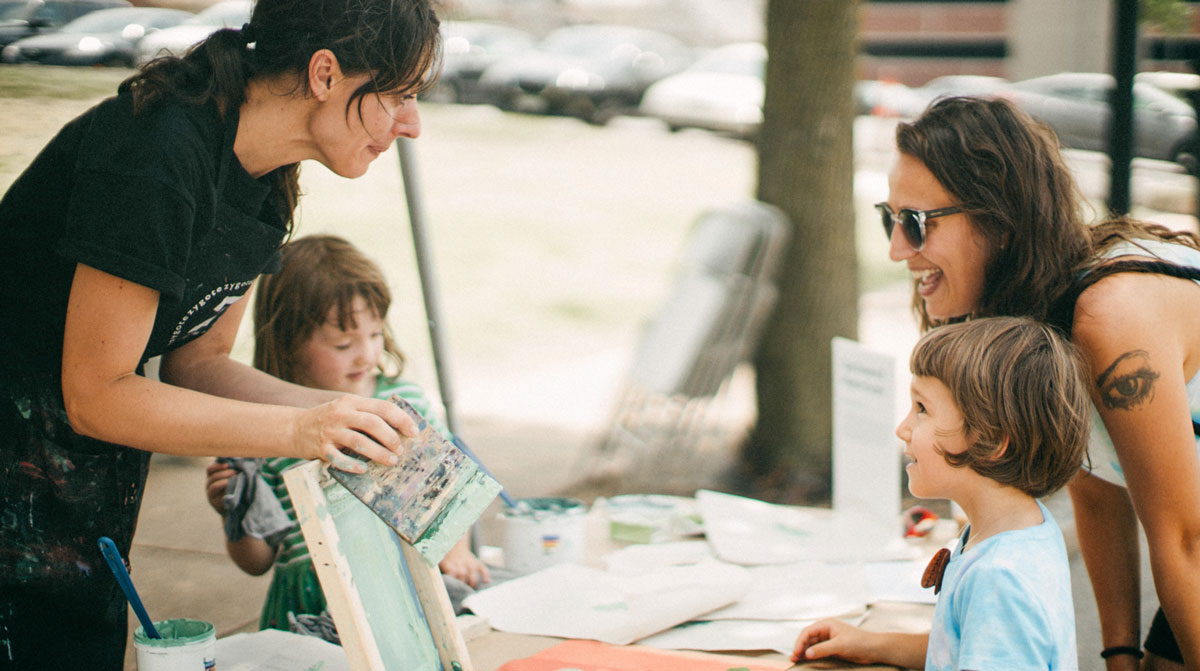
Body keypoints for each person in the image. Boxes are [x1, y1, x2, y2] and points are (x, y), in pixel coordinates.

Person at [0, 1, 442, 666]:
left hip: (76, 496)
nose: (410, 125)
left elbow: (198, 363)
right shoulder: (155, 155)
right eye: (399, 95)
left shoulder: (267, 179)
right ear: (325, 74)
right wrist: (301, 431)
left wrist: (350, 416)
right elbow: (98, 394)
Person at [882, 94, 1200, 669]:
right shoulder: (1040, 312)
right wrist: (1120, 655)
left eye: (915, 223)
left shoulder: (1110, 316)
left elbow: (1184, 542)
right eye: (890, 218)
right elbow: (1101, 491)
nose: (896, 248)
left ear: (996, 219)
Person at [203, 234, 494, 634]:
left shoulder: (403, 405)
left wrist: (456, 554)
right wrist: (232, 513)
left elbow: (445, 496)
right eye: (343, 343)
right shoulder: (263, 428)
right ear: (287, 343)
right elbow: (257, 561)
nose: (367, 355)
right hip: (311, 615)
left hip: (400, 596)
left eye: (375, 335)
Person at [793, 317, 1089, 670]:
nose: (902, 428)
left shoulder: (999, 578)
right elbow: (964, 649)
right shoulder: (1018, 527)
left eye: (922, 409)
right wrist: (870, 644)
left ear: (989, 438)